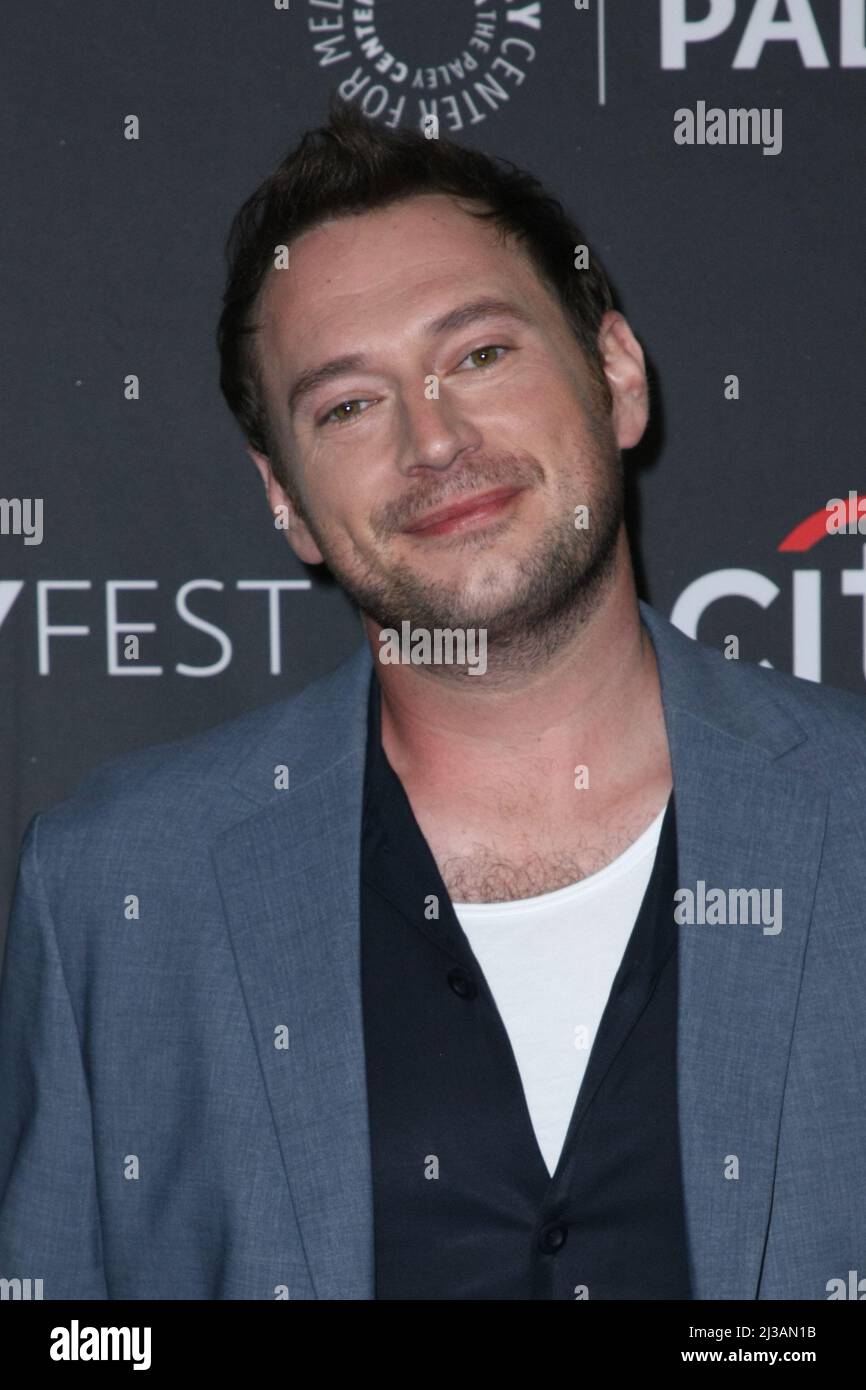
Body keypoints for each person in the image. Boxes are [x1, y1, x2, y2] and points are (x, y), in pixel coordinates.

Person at [1, 98, 865, 1302]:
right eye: (348, 404)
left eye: (478, 355)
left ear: (616, 375)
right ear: (285, 500)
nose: (433, 439)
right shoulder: (117, 888)